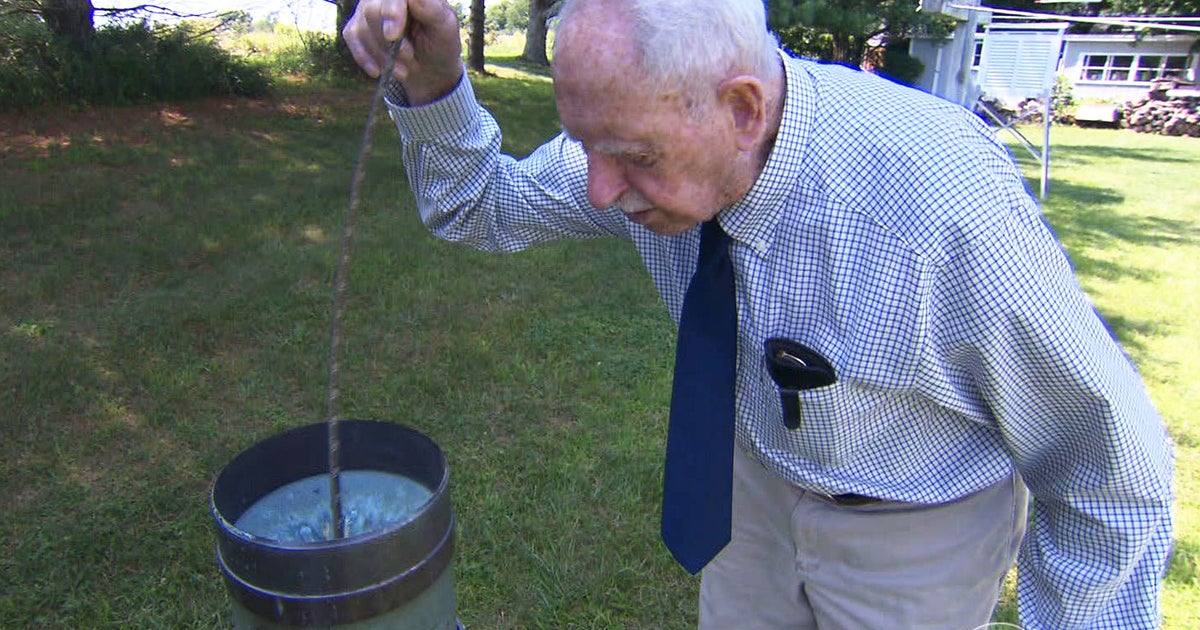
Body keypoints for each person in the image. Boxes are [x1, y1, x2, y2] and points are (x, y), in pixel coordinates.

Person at [342, 0, 1175, 628]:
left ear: (743, 110)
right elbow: (480, 205)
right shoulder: (640, 129)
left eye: (632, 156)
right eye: (584, 146)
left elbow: (1107, 464)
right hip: (750, 491)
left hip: (918, 528)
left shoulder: (938, 208)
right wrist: (436, 81)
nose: (599, 191)